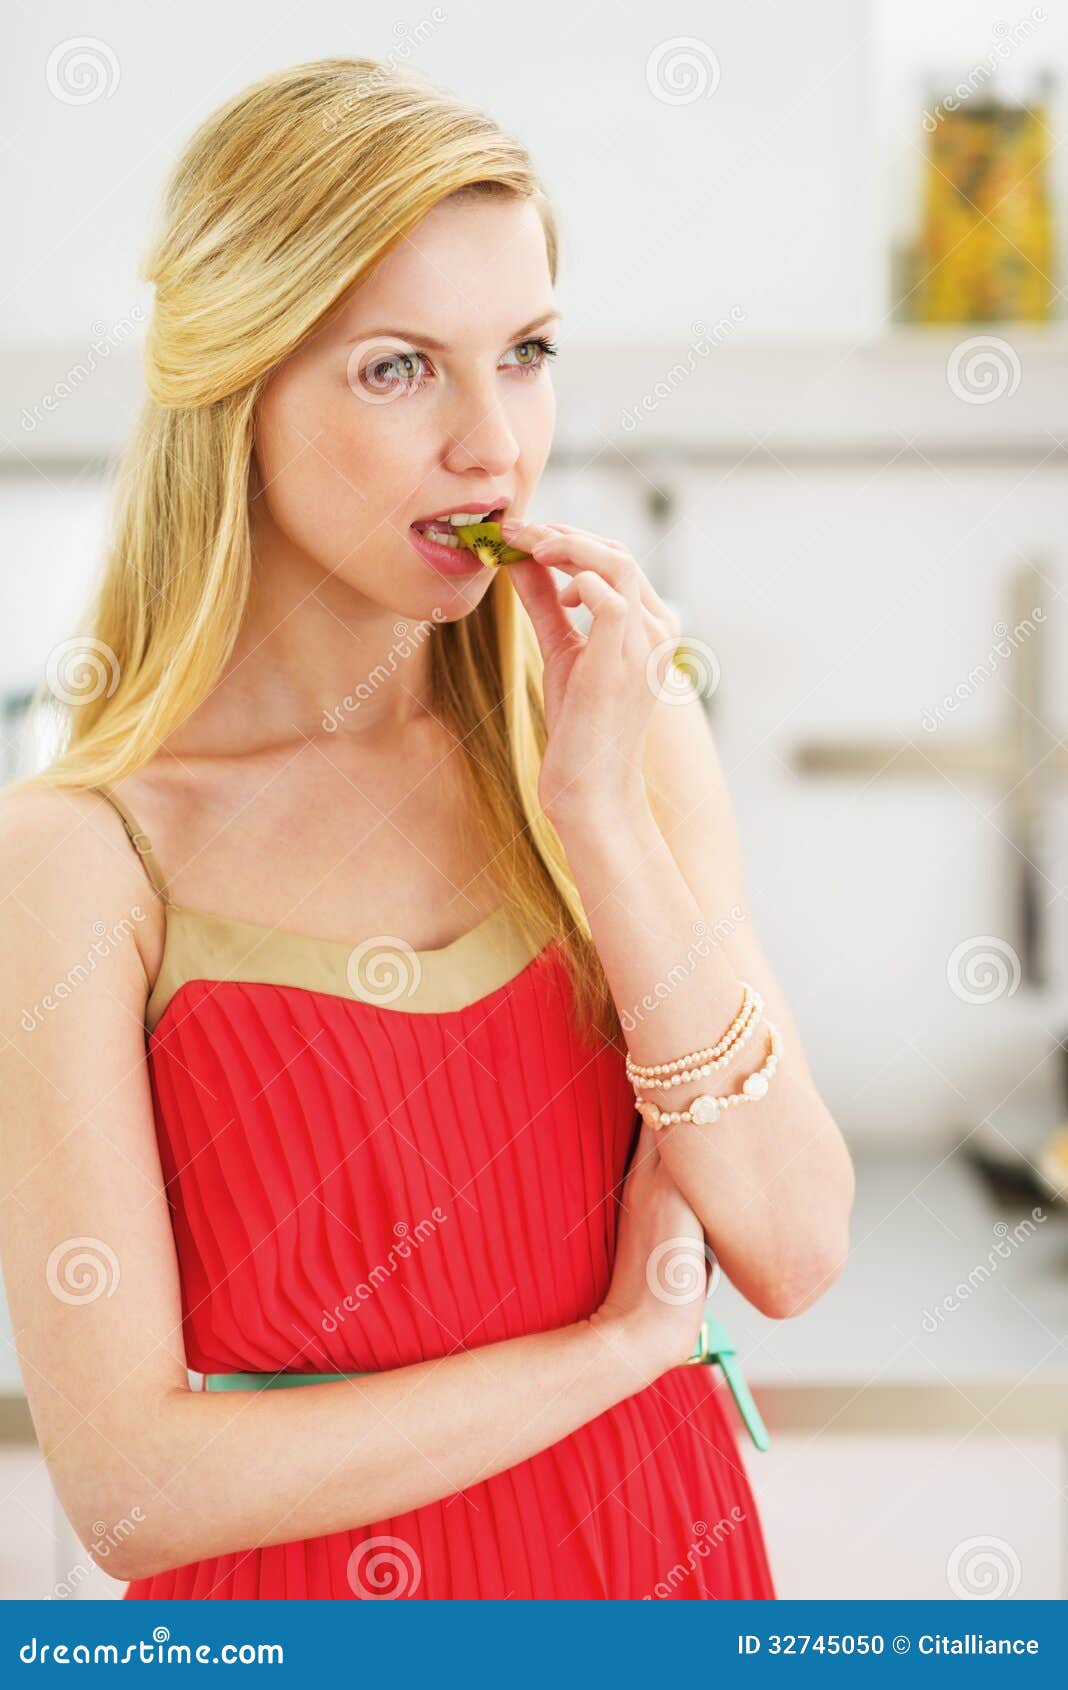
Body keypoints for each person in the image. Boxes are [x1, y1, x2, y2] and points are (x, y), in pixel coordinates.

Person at [0, 58, 854, 1600]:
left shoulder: (621, 733)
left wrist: (598, 815)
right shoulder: (82, 849)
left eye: (524, 353)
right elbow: (129, 1487)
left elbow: (791, 1239)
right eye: (400, 368)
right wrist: (618, 1352)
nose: (494, 447)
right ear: (237, 385)